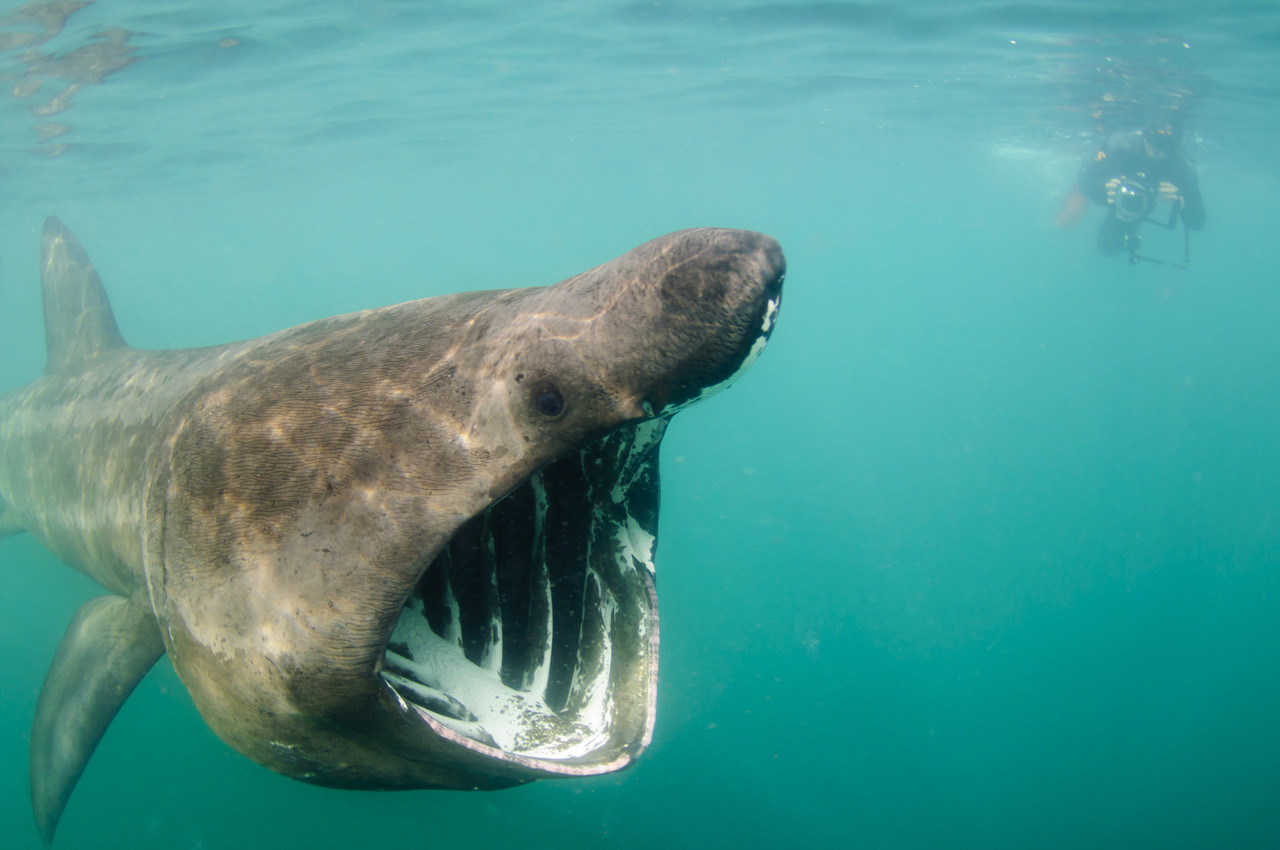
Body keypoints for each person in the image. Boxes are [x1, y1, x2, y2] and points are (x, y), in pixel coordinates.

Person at [1056, 120, 1206, 264]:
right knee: (1107, 246)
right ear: (1145, 132)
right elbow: (1087, 175)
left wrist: (1183, 202)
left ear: (1176, 143)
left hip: (1141, 201)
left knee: (1107, 248)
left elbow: (1197, 222)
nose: (1157, 147)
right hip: (1118, 185)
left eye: (1167, 143)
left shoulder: (1181, 166)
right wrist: (1100, 190)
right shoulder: (1122, 144)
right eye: (1153, 137)